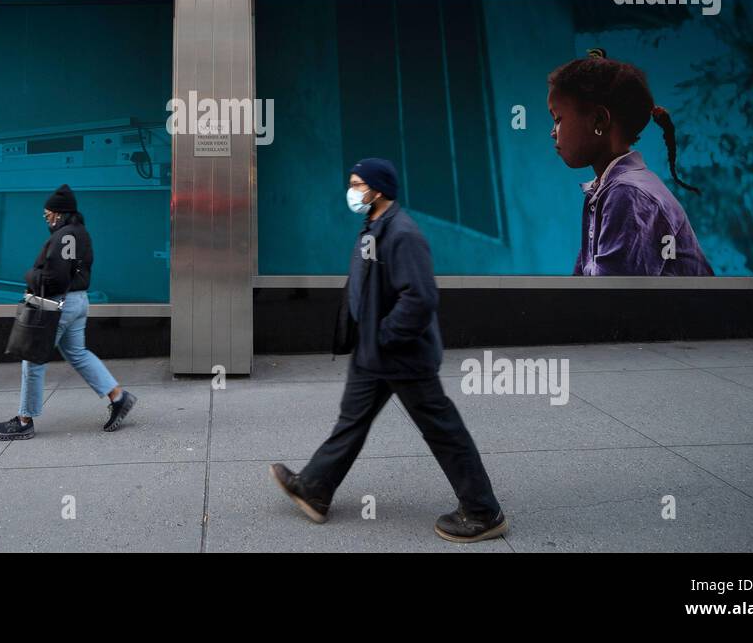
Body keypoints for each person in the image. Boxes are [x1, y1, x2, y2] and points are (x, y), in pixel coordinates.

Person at [270, 158, 507, 542]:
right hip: (373, 353)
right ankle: (314, 487)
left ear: (378, 190)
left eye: (357, 183)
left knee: (443, 430)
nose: (352, 190)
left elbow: (421, 297)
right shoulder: (374, 226)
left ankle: (483, 512)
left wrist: (383, 336)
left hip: (401, 355)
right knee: (352, 420)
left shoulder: (402, 234)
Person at [548, 49, 714, 276]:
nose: (553, 132)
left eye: (558, 119)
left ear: (599, 120)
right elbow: (582, 290)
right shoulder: (606, 192)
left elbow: (611, 300)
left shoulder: (628, 193)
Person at [0, 184, 136, 440]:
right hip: (79, 301)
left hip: (59, 305)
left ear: (59, 213)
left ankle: (25, 420)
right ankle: (118, 396)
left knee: (33, 358)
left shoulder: (63, 235)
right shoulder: (79, 232)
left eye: (47, 214)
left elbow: (56, 277)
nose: (46, 218)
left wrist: (30, 274)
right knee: (77, 353)